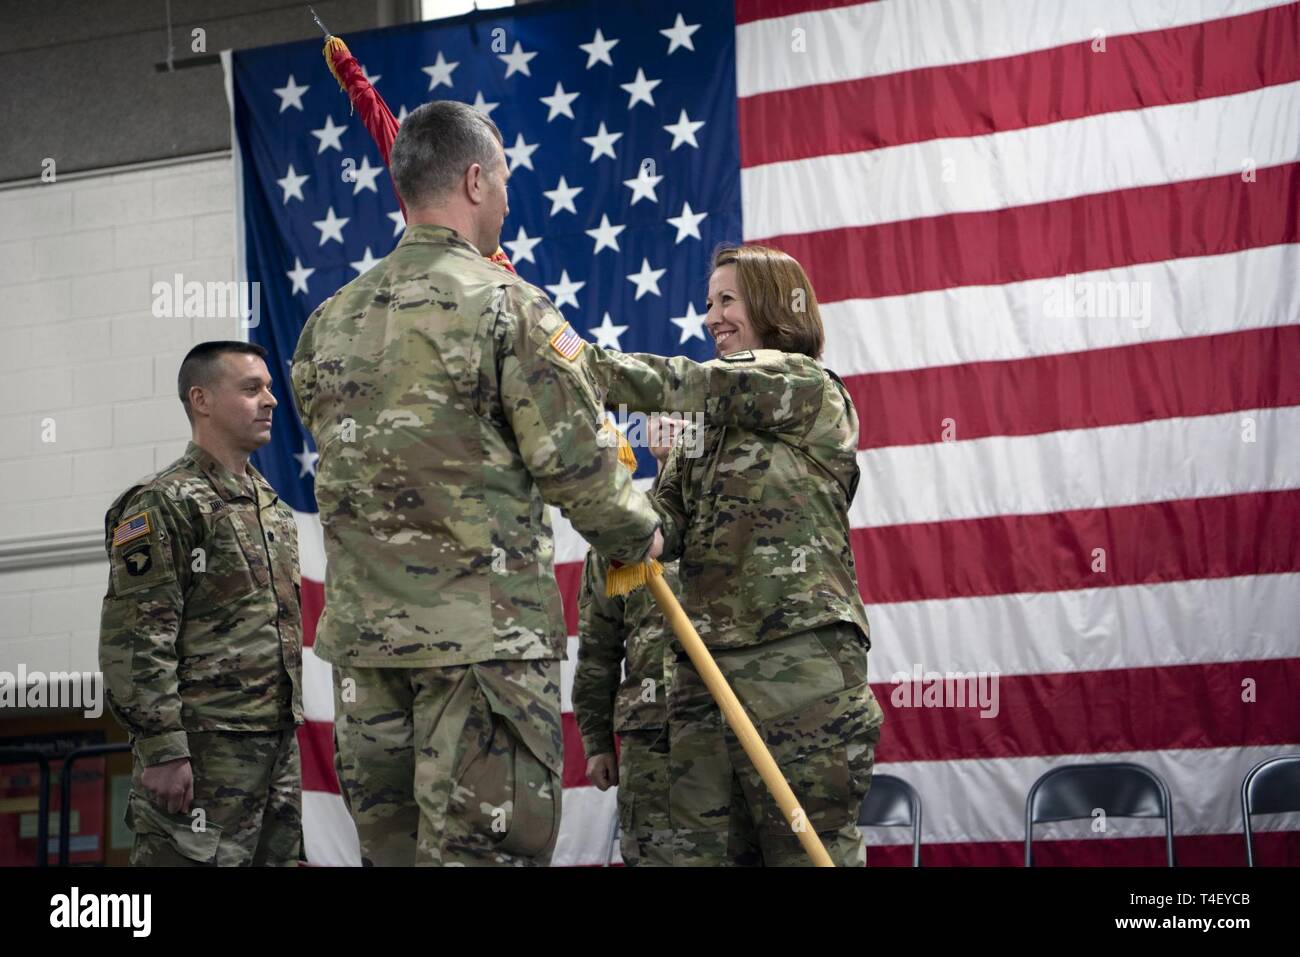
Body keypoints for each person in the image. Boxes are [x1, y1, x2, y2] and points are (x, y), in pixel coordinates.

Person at [289, 100, 664, 866]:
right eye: (501, 179)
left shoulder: (328, 321)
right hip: (482, 653)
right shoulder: (508, 305)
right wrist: (642, 532)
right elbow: (578, 466)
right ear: (471, 180)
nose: (506, 196)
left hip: (368, 658)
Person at [580, 244, 885, 866]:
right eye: (708, 303)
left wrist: (573, 362)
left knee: (806, 852)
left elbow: (692, 383)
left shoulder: (806, 388)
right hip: (701, 687)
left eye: (728, 300)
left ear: (775, 306)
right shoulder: (703, 430)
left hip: (796, 676)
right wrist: (593, 485)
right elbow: (659, 538)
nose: (712, 316)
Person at [98, 340, 304, 866]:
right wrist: (163, 748)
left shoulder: (272, 508)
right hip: (205, 752)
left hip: (276, 750)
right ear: (202, 400)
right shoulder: (162, 502)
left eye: (270, 389)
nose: (271, 401)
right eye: (251, 388)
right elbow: (138, 636)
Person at [574, 419, 684, 867]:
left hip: (731, 729)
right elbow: (598, 647)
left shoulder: (735, 526)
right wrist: (597, 739)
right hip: (651, 738)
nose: (676, 431)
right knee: (653, 854)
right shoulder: (622, 537)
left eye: (688, 422)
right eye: (666, 421)